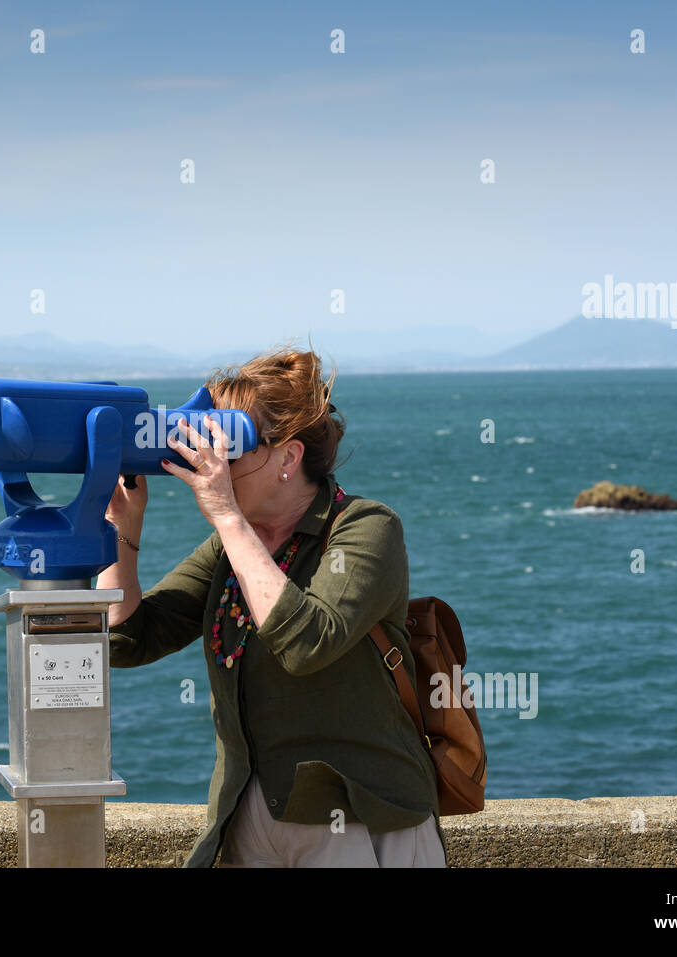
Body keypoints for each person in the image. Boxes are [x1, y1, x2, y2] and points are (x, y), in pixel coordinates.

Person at [97, 346, 446, 868]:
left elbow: (308, 643)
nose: (214, 460)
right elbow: (128, 639)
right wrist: (125, 530)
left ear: (288, 457)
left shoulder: (365, 528)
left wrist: (227, 517)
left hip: (360, 821)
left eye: (231, 442)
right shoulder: (230, 548)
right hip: (247, 818)